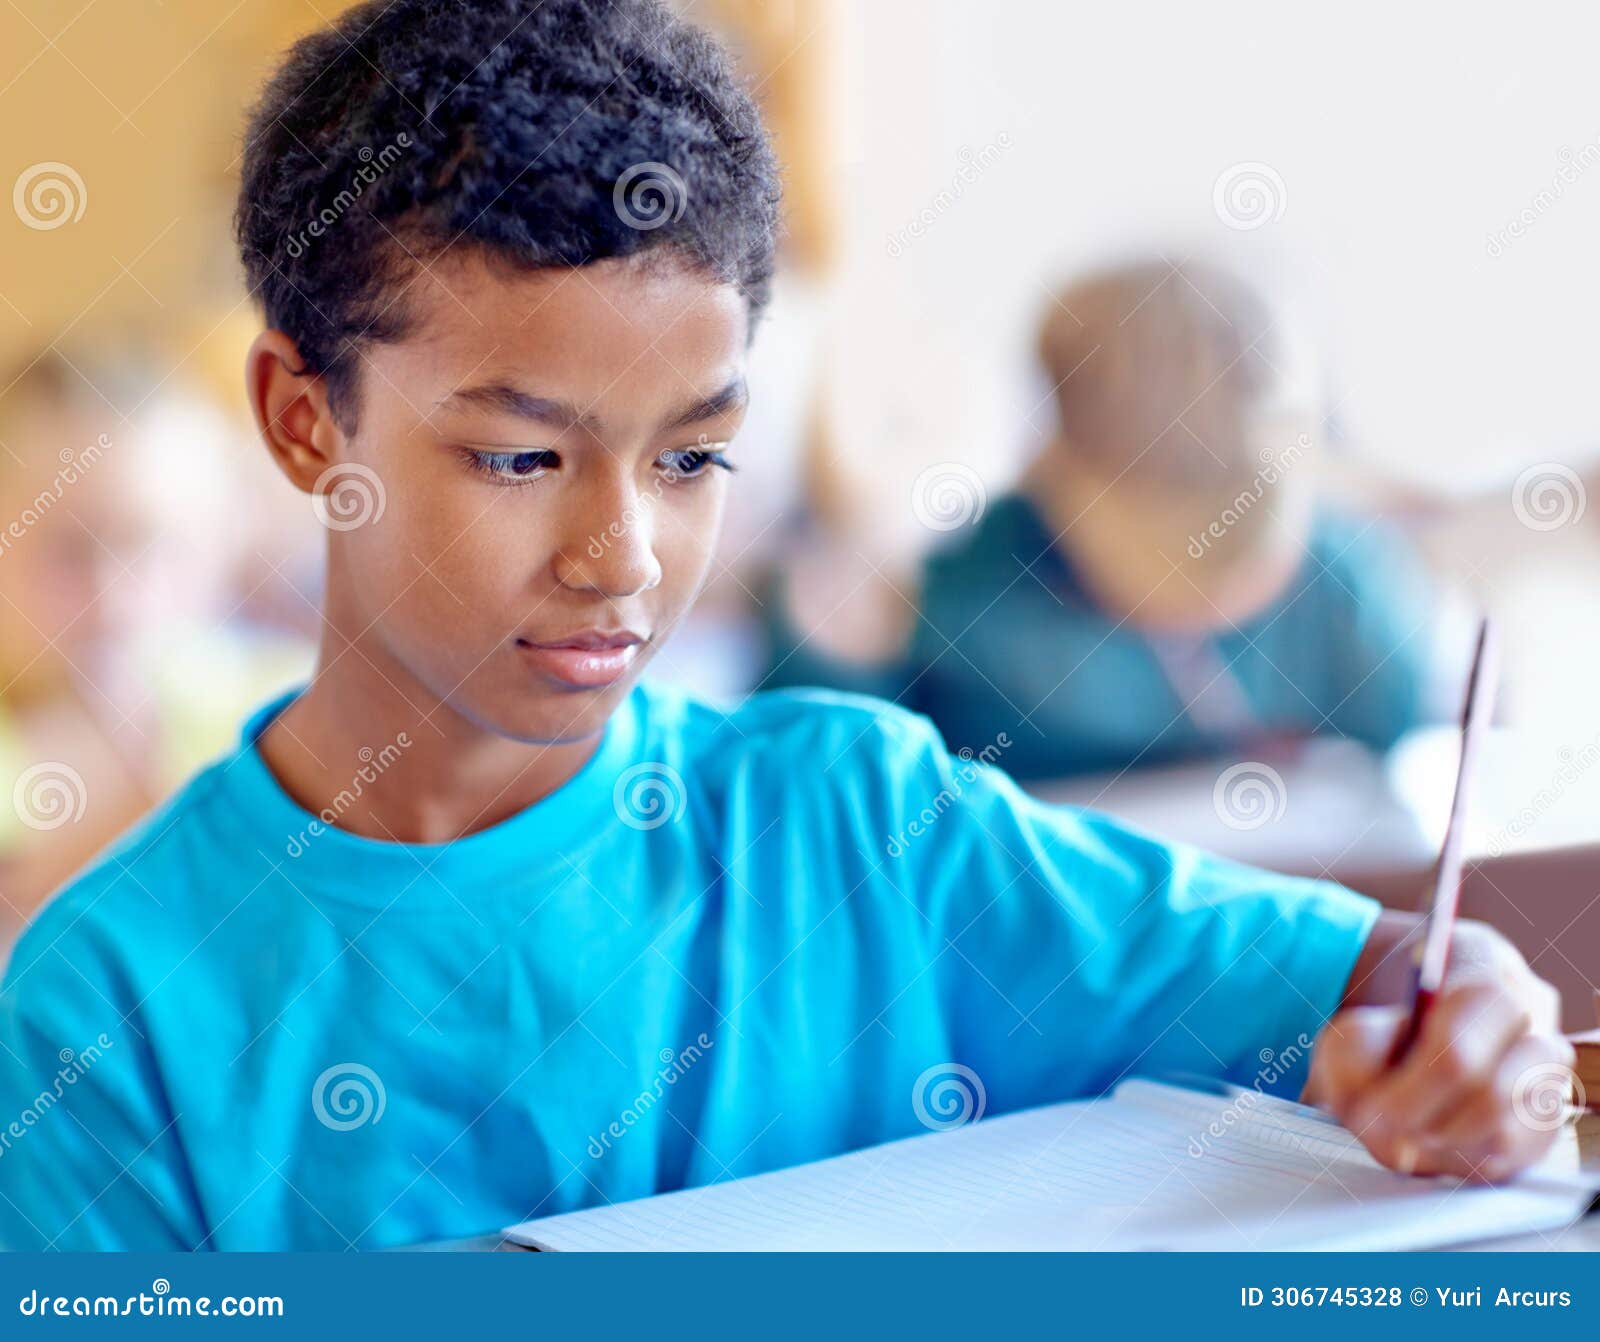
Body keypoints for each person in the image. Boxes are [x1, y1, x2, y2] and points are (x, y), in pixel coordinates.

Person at [0, 0, 1569, 1250]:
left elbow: (1371, 981)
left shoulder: (870, 826)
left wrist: (1473, 1024)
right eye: (521, 458)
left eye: (692, 458)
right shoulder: (104, 1016)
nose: (620, 559)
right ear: (303, 420)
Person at [760, 260, 1446, 781]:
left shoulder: (1344, 591)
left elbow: (1419, 769)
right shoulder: (964, 594)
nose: (1206, 590)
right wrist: (837, 649)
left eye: (1238, 540)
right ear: (1052, 462)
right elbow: (833, 785)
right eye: (1166, 546)